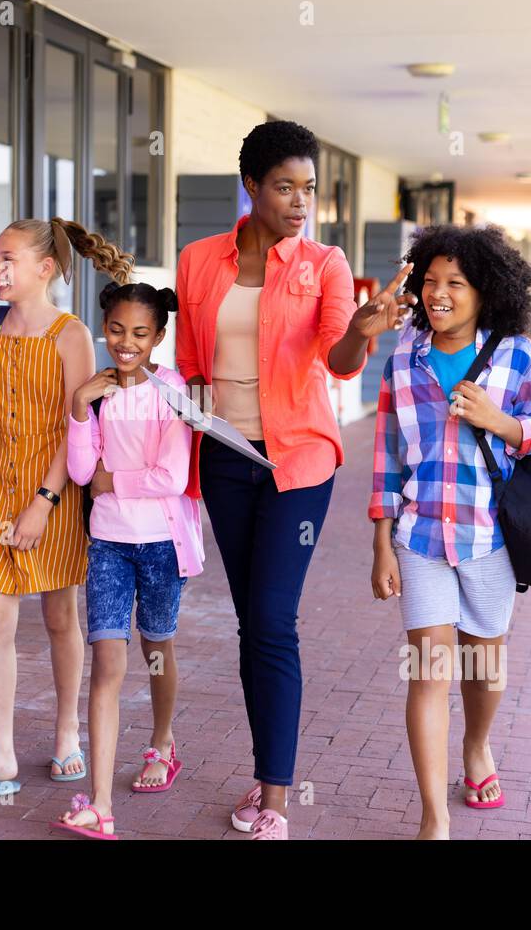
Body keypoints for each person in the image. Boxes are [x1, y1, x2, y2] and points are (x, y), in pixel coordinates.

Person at [175, 120, 413, 839]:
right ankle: (262, 776)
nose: (301, 201)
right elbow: (190, 354)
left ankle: (276, 801)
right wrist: (191, 390)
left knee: (273, 619)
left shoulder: (325, 263)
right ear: (251, 186)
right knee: (253, 621)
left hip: (299, 462)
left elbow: (340, 361)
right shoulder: (197, 260)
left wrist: (365, 328)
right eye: (286, 186)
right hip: (224, 456)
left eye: (309, 188)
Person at [370, 223, 531, 839]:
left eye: (455, 282)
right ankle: (434, 817)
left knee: (484, 668)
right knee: (428, 672)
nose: (437, 293)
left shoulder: (516, 353)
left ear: (487, 291)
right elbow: (389, 452)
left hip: (489, 538)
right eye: (429, 281)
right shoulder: (405, 354)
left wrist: (498, 421)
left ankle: (477, 747)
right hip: (420, 534)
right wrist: (381, 542)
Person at [0, 216, 131, 801]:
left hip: (52, 489)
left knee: (59, 618)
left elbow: (75, 429)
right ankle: (0, 753)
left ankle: (66, 734)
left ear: (44, 268)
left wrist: (44, 504)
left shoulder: (71, 334)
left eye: (9, 258)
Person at [52, 281, 203, 839]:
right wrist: (77, 407)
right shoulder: (95, 392)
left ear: (158, 337)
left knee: (157, 649)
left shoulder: (172, 390)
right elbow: (79, 472)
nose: (126, 342)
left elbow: (172, 477)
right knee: (107, 666)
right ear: (103, 329)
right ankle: (99, 802)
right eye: (116, 330)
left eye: (140, 333)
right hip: (109, 545)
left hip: (162, 545)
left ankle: (163, 743)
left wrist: (111, 481)